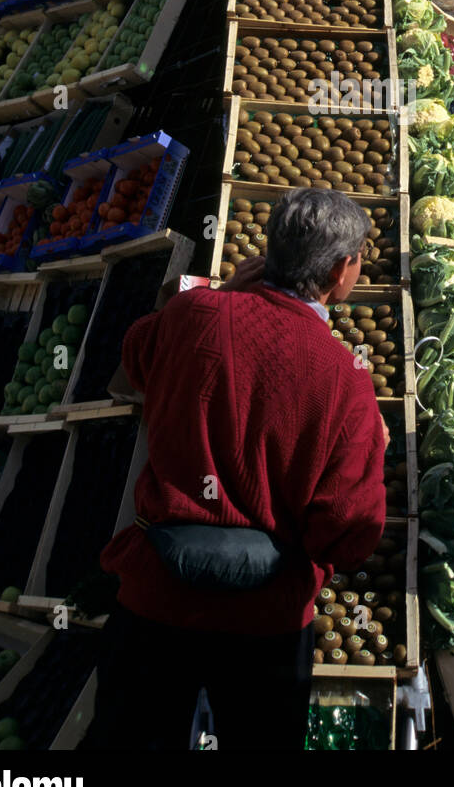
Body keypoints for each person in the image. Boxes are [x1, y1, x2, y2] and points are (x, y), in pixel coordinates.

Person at [82, 188, 388, 751]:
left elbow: (130, 369)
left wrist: (221, 297)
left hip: (156, 600)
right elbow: (347, 534)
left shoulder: (191, 315)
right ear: (344, 270)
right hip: (265, 625)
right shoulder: (348, 380)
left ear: (268, 253)